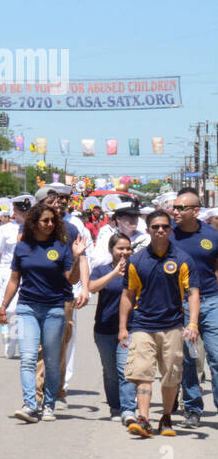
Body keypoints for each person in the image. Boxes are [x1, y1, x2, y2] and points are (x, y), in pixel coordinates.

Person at [0, 202, 86, 422]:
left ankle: (49, 404)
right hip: (27, 307)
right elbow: (14, 280)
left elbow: (71, 279)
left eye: (52, 221)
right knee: (27, 358)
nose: (49, 224)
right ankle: (30, 404)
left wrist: (75, 258)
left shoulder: (62, 246)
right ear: (34, 223)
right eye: (44, 221)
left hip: (55, 309)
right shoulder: (23, 247)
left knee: (51, 359)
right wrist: (3, 306)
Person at [120, 210, 199, 437]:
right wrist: (123, 327)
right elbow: (127, 295)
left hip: (173, 325)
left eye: (165, 226)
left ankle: (166, 417)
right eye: (155, 227)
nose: (160, 230)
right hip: (143, 325)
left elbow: (193, 292)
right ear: (148, 230)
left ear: (170, 230)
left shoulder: (183, 259)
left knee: (171, 374)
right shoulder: (137, 260)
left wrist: (192, 324)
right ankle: (144, 419)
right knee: (143, 372)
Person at [33, 183, 90, 404]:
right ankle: (37, 397)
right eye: (51, 201)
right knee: (38, 348)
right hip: (36, 295)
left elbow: (82, 258)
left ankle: (57, 390)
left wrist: (84, 287)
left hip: (63, 296)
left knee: (59, 346)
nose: (58, 205)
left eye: (58, 201)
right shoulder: (28, 229)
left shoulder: (71, 229)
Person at [171, 187, 217, 428]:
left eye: (180, 208)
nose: (174, 212)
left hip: (211, 301)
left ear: (195, 211)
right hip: (181, 306)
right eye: (173, 208)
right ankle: (193, 408)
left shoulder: (213, 235)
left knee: (216, 356)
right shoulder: (167, 236)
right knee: (189, 359)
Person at [90, 233, 138, 425]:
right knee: (110, 372)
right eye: (120, 248)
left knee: (125, 369)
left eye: (128, 248)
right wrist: (114, 273)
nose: (125, 252)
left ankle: (128, 409)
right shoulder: (101, 270)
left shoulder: (136, 269)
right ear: (112, 250)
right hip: (104, 327)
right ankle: (115, 407)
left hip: (131, 327)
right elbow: (92, 288)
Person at [0, 196, 30, 358]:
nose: (16, 213)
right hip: (7, 272)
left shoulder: (33, 228)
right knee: (7, 310)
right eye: (17, 210)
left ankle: (20, 342)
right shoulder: (6, 229)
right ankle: (7, 339)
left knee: (20, 310)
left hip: (26, 272)